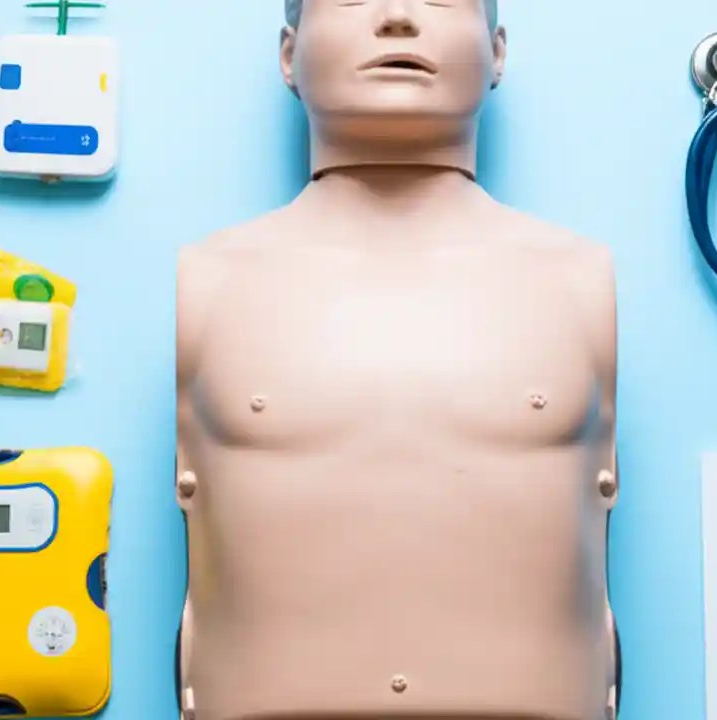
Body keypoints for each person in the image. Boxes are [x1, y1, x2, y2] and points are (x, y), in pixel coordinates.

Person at [175, 2, 620, 719]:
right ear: (289, 55)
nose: (397, 18)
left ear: (497, 51)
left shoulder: (578, 278)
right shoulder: (211, 279)